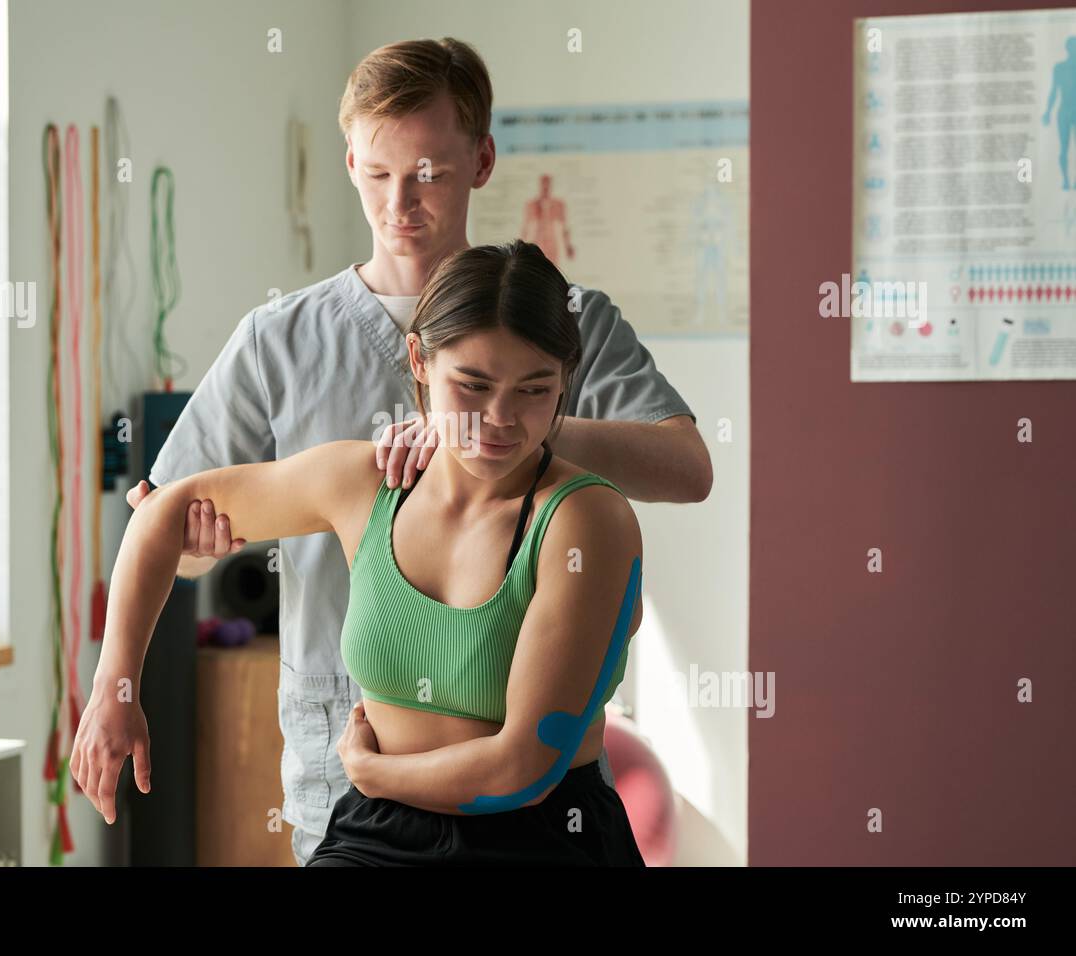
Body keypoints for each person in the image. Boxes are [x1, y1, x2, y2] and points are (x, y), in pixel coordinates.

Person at [77, 37, 711, 867]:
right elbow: (171, 528)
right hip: (346, 758)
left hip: (524, 789)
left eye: (428, 173)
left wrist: (502, 438)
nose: (400, 202)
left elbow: (687, 467)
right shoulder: (281, 342)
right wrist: (120, 675)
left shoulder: (566, 323)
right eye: (377, 174)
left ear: (481, 160)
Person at [79, 240, 647, 866]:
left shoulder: (586, 520)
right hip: (376, 834)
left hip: (539, 833)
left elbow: (523, 767)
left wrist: (376, 776)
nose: (499, 419)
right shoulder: (364, 484)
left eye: (534, 390)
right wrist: (115, 690)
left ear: (566, 380)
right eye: (473, 385)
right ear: (420, 361)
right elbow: (164, 513)